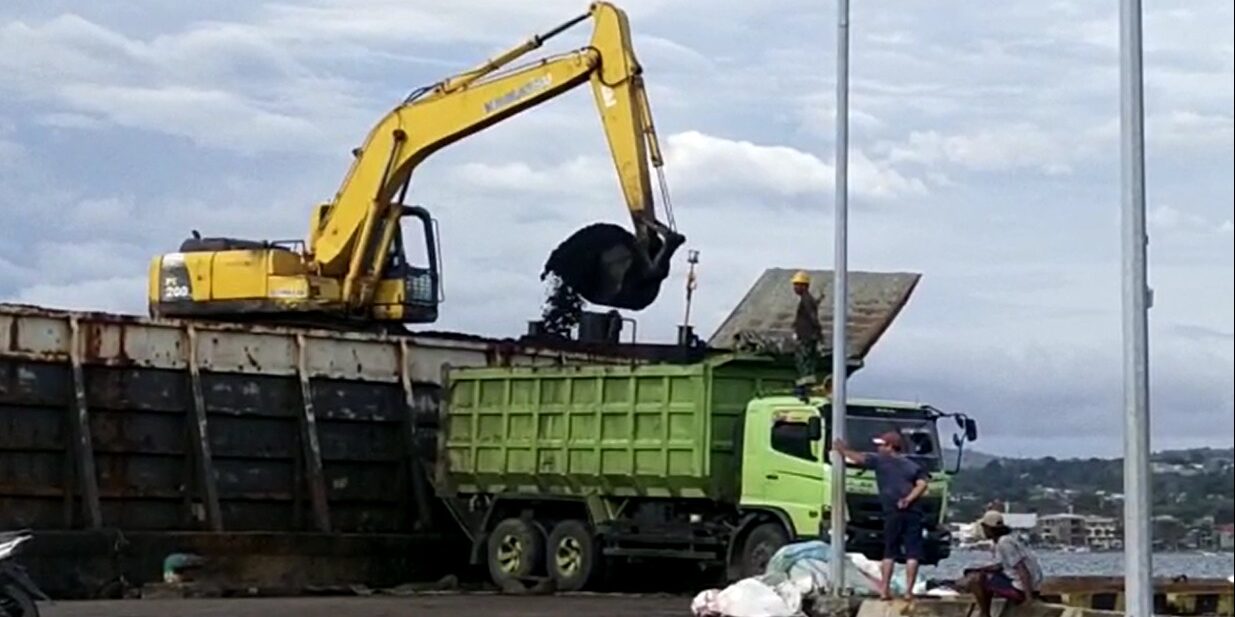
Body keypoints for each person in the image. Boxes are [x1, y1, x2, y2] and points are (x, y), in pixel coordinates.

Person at [832, 431, 929, 601]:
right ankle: (908, 592)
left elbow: (859, 458)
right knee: (912, 553)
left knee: (890, 551)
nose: (878, 448)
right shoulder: (912, 465)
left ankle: (884, 591)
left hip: (892, 511)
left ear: (891, 446)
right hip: (913, 512)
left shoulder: (881, 461)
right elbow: (922, 484)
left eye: (882, 444)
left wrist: (843, 450)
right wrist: (908, 499)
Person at [960, 511, 1044, 617]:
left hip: (1021, 590)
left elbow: (1021, 569)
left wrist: (1029, 598)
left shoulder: (1004, 543)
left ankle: (985, 614)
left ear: (988, 529)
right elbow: (1000, 566)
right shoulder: (1006, 540)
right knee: (978, 574)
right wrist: (977, 569)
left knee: (976, 579)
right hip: (1030, 587)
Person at [791, 270, 823, 400]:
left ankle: (805, 381)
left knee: (803, 358)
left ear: (804, 286)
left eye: (798, 285)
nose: (795, 288)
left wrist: (819, 335)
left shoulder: (806, 300)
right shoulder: (807, 300)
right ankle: (805, 381)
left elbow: (813, 317)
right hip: (807, 335)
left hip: (807, 336)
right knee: (805, 358)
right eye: (795, 285)